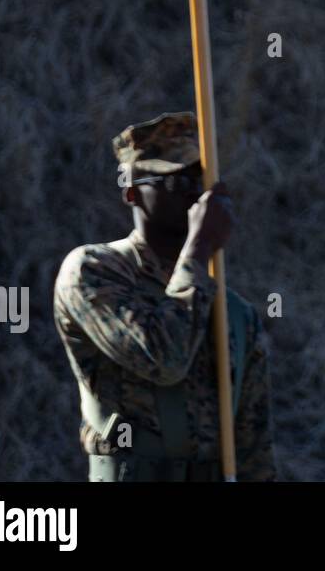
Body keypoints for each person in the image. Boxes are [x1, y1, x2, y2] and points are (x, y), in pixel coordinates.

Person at [54, 111, 276, 481]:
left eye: (200, 178)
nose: (195, 193)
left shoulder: (233, 312)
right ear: (131, 190)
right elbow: (164, 358)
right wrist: (200, 245)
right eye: (175, 180)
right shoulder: (93, 271)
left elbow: (255, 451)